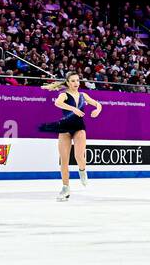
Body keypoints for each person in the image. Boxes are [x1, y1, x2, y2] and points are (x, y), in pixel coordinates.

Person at [38, 72, 102, 202]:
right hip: (65, 129)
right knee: (64, 161)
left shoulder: (84, 95)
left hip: (79, 128)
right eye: (72, 81)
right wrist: (73, 109)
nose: (76, 83)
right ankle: (65, 187)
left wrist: (97, 110)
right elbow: (57, 103)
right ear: (67, 82)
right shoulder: (64, 94)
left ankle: (82, 170)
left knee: (79, 156)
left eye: (77, 80)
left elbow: (98, 104)